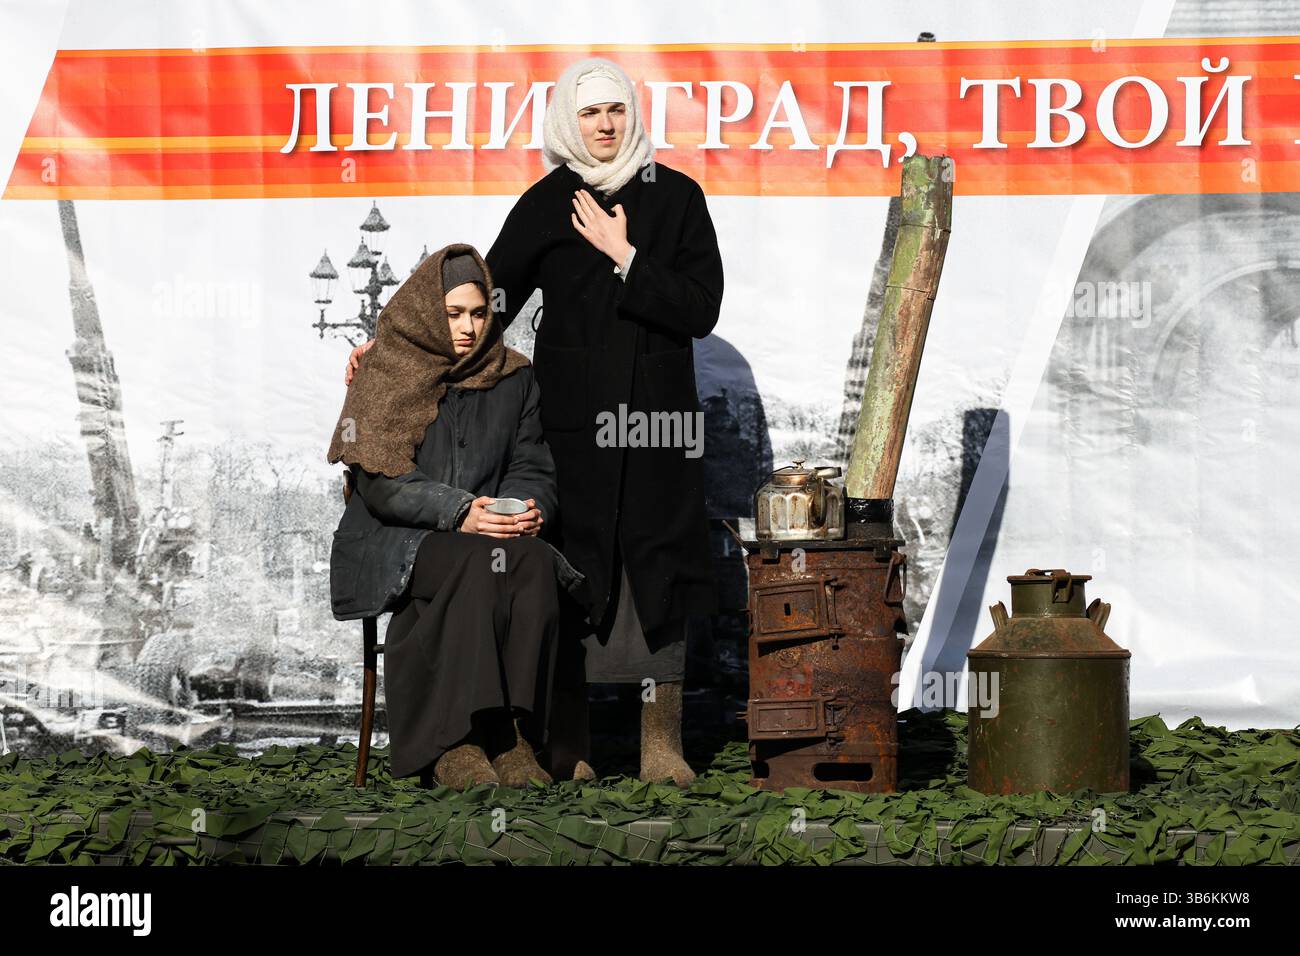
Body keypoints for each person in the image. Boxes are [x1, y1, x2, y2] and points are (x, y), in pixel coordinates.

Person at [345, 58, 724, 787]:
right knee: (571, 572)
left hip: (657, 434)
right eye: (590, 114)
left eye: (616, 110)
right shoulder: (549, 202)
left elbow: (700, 309)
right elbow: (484, 300)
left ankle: (660, 744)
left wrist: (625, 256)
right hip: (574, 433)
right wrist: (391, 348)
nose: (606, 125)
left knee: (657, 571)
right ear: (566, 121)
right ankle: (568, 744)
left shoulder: (677, 197)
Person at [328, 243, 583, 789]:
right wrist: (460, 510)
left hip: (488, 533)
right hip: (397, 539)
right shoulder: (387, 374)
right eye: (452, 314)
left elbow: (532, 463)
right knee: (475, 564)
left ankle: (513, 737)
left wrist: (526, 509)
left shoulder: (513, 376)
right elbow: (381, 484)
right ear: (426, 311)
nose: (468, 327)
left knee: (534, 563)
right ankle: (456, 743)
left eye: (477, 313)